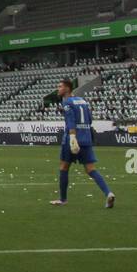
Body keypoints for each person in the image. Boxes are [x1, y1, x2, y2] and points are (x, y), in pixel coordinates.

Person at [51, 79, 114, 209]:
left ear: (67, 88)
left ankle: (63, 200)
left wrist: (73, 137)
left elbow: (71, 121)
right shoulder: (83, 101)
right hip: (86, 139)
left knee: (63, 167)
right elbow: (90, 120)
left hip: (72, 139)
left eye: (60, 87)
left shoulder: (67, 103)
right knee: (91, 169)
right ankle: (108, 193)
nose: (58, 89)